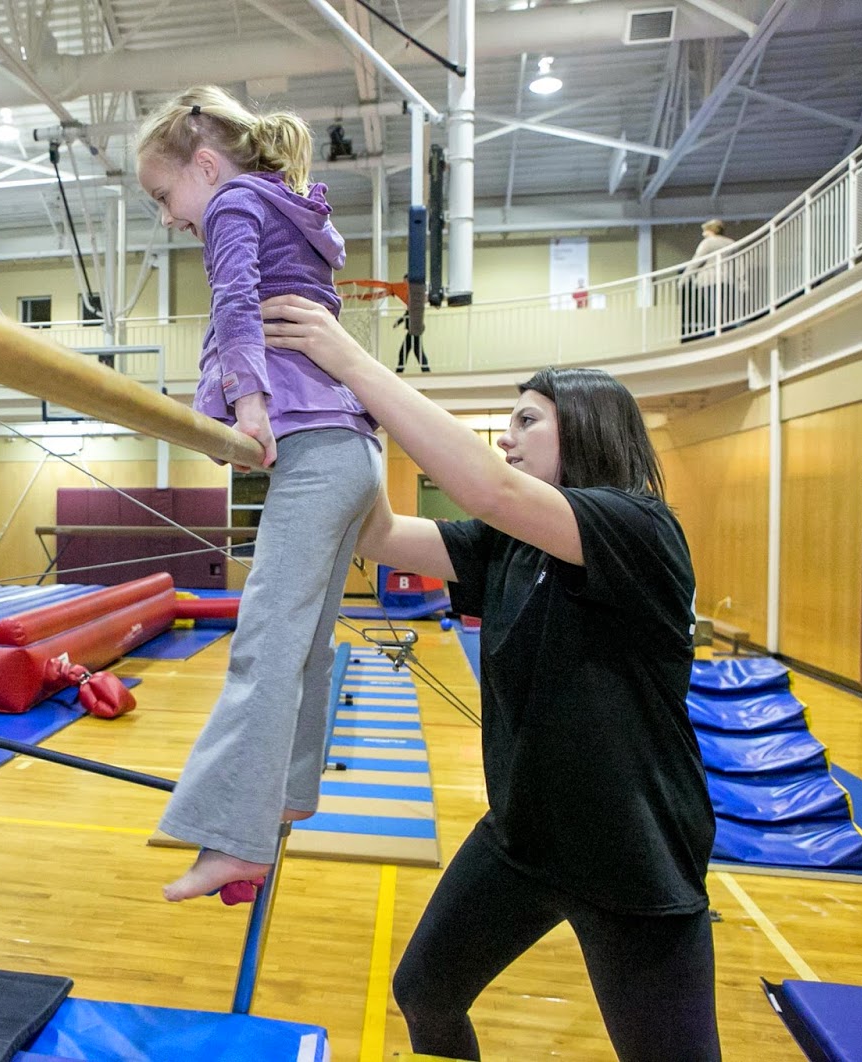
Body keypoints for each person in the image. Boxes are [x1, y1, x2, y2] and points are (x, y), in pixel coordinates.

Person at [260, 292, 718, 1062]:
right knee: (424, 992)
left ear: (590, 426)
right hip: (522, 840)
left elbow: (491, 488)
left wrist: (349, 359)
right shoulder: (507, 546)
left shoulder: (638, 528)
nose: (506, 441)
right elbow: (377, 532)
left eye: (526, 422)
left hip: (633, 861)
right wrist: (311, 429)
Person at [134, 85, 382, 902]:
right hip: (353, 449)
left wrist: (249, 403)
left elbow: (236, 300)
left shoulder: (237, 200)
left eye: (166, 196)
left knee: (266, 641)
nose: (169, 217)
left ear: (204, 165)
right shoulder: (291, 204)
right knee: (303, 643)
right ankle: (280, 800)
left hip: (312, 444)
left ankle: (233, 836)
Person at [683, 218, 734, 340]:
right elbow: (737, 262)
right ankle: (725, 328)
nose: (703, 234)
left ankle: (713, 330)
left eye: (704, 231)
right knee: (724, 305)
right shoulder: (731, 243)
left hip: (710, 279)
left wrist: (684, 278)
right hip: (727, 278)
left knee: (713, 306)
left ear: (711, 230)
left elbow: (697, 261)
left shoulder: (708, 243)